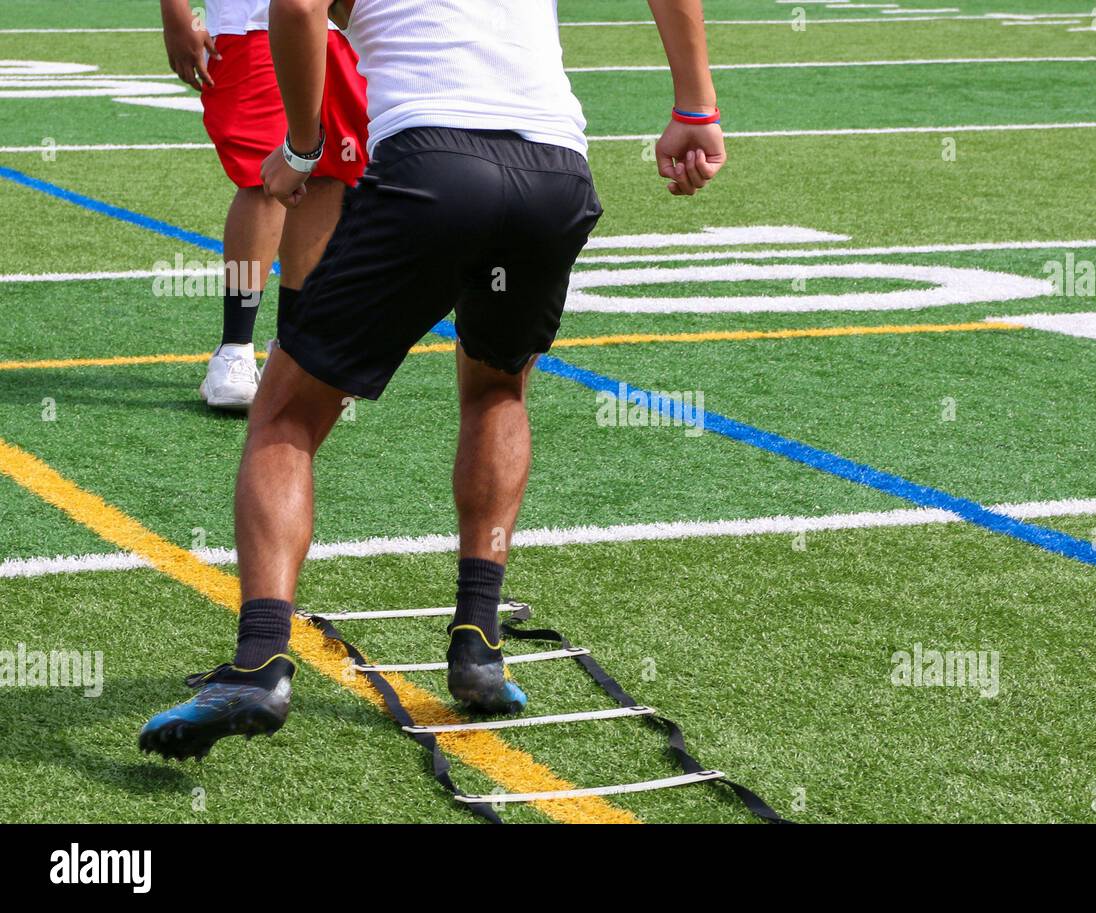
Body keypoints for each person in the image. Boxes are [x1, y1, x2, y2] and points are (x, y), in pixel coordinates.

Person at [140, 0, 725, 761]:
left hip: (433, 162)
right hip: (555, 167)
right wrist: (695, 107)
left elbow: (295, 7)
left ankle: (258, 662)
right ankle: (478, 640)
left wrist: (305, 145)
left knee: (284, 417)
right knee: (498, 390)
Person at [159, 0, 368, 411]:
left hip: (345, 22)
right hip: (254, 19)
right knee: (263, 176)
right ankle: (234, 349)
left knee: (327, 175)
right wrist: (176, 11)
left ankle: (294, 352)